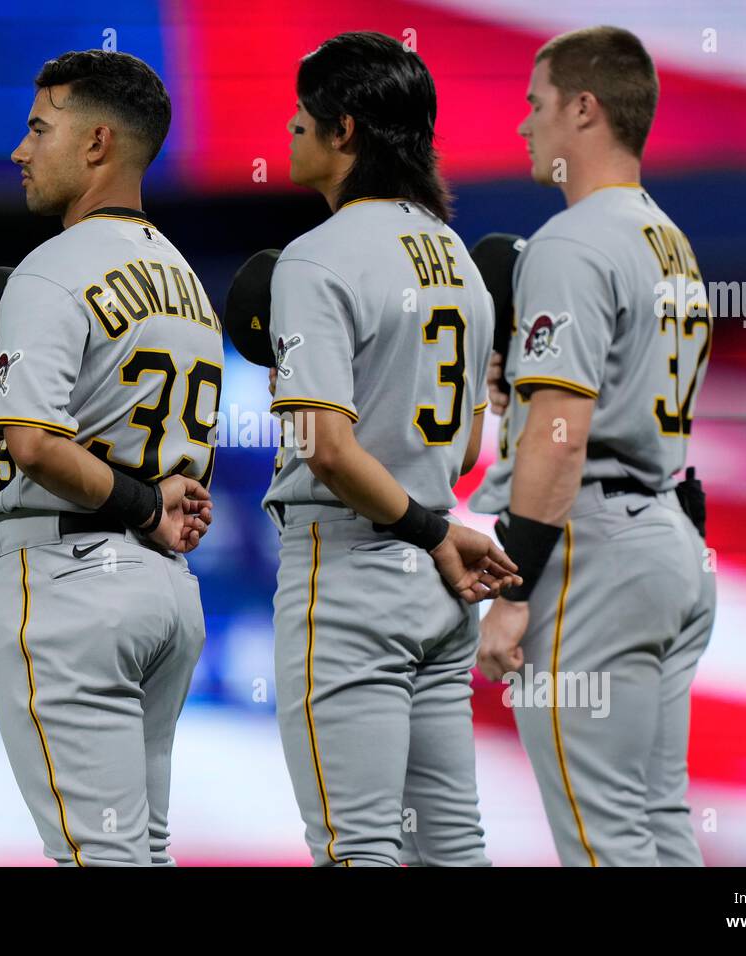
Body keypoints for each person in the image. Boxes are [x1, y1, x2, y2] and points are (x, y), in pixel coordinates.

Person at [262, 31, 520, 866]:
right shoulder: (457, 257)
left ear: (345, 130)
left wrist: (428, 530)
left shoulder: (317, 256)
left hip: (355, 566)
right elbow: (472, 438)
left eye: (303, 115)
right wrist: (435, 528)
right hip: (439, 582)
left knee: (357, 849)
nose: (291, 130)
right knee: (452, 848)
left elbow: (328, 452)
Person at [470, 26, 715, 866]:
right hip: (671, 541)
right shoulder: (669, 240)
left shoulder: (572, 241)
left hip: (596, 550)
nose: (522, 126)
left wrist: (512, 587)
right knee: (658, 825)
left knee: (603, 842)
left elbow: (560, 436)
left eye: (534, 105)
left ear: (584, 108)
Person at [0, 49, 222, 866]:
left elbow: (36, 442)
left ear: (98, 143)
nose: (20, 149)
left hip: (73, 581)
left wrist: (143, 505)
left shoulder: (51, 268)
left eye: (40, 127)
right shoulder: (186, 280)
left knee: (98, 861)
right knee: (141, 852)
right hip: (163, 595)